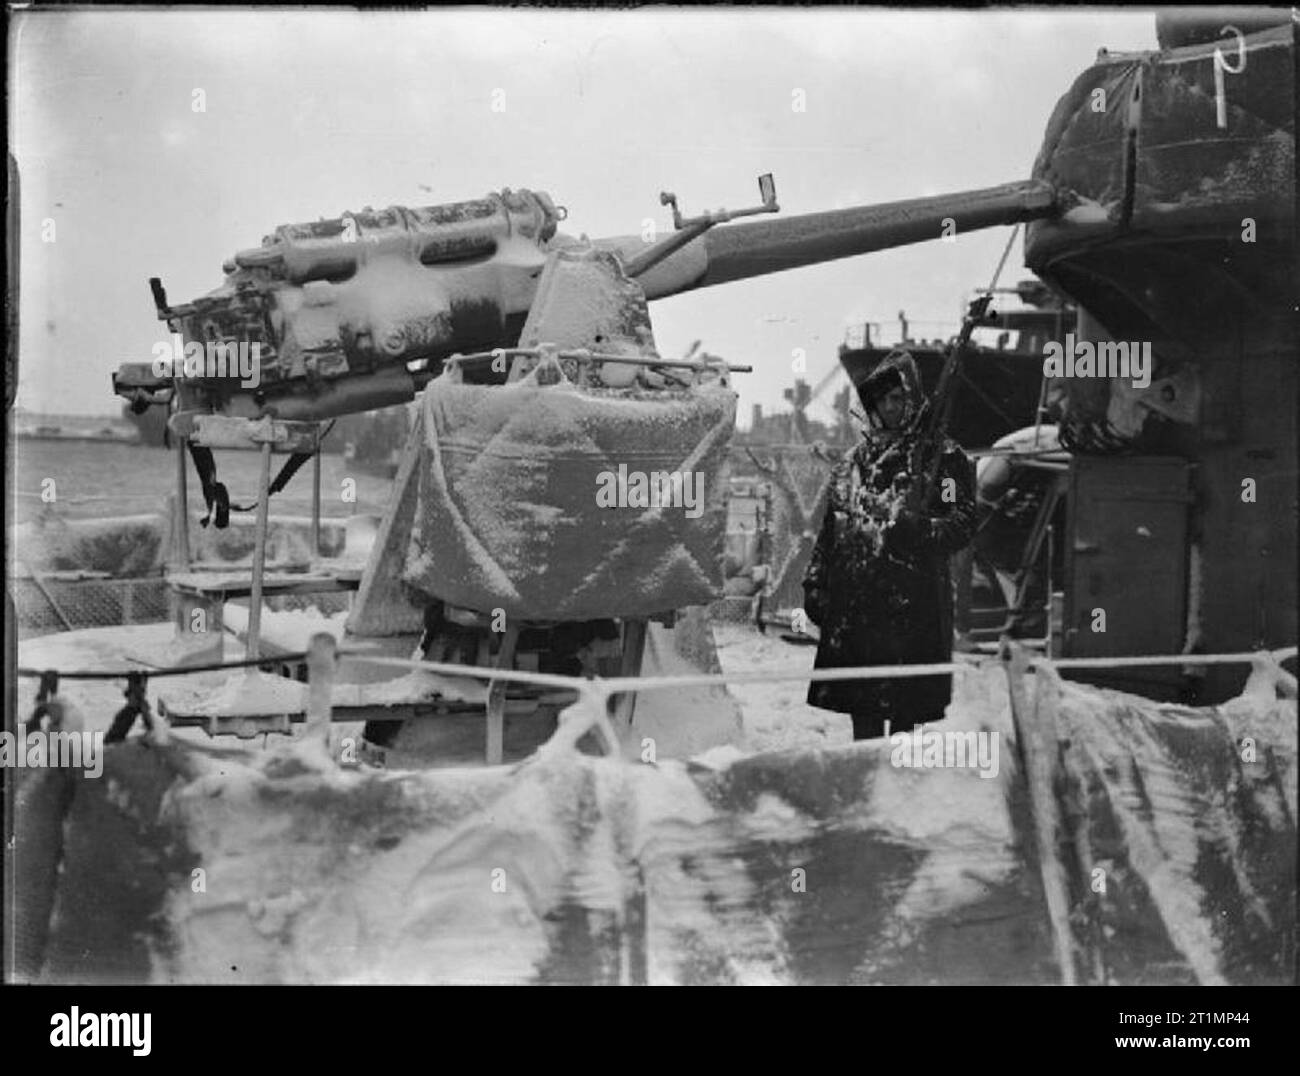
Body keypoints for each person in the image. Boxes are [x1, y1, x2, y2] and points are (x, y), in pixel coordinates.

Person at [802, 348, 977, 740]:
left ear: (913, 398)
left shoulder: (944, 459)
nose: (891, 408)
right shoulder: (851, 463)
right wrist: (815, 583)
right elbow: (831, 529)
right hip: (857, 612)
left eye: (898, 398)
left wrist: (920, 529)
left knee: (905, 724)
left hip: (911, 611)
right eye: (883, 400)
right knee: (862, 720)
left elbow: (962, 520)